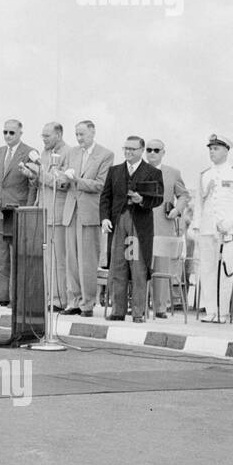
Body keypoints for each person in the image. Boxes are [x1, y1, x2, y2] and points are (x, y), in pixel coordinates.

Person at [100, 135, 164, 322]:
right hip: (118, 222)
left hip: (138, 225)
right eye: (126, 148)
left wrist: (142, 200)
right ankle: (118, 311)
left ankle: (138, 312)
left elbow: (158, 198)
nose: (128, 152)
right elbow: (106, 197)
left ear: (141, 150)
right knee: (117, 266)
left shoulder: (152, 172)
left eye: (132, 149)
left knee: (137, 268)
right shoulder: (115, 171)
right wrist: (104, 218)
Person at [192, 133, 233, 322]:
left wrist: (231, 222)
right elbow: (199, 204)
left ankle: (223, 311)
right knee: (207, 269)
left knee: (226, 269)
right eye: (210, 148)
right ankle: (211, 311)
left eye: (216, 148)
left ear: (226, 150)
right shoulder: (204, 175)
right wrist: (196, 226)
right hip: (208, 229)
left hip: (229, 231)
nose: (212, 152)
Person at [61, 119, 113, 316]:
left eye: (82, 134)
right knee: (71, 260)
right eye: (76, 134)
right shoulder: (72, 152)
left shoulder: (105, 155)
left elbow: (100, 184)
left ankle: (87, 303)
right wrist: (63, 177)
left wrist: (77, 180)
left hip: (89, 212)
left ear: (93, 133)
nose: (79, 138)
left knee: (87, 261)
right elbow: (64, 177)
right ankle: (72, 301)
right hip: (70, 210)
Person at [0, 119, 38, 305]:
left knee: (17, 256)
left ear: (20, 133)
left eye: (11, 133)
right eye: (5, 132)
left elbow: (33, 184)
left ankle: (16, 298)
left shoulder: (29, 153)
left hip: (17, 210)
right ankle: (0, 296)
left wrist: (28, 208)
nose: (7, 136)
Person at [24, 123, 71, 315]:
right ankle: (49, 296)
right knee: (47, 259)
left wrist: (39, 174)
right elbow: (42, 181)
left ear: (59, 134)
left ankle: (60, 299)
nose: (44, 139)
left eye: (48, 136)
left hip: (57, 213)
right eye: (42, 136)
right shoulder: (43, 153)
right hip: (43, 209)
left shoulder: (67, 153)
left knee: (59, 259)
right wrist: (31, 175)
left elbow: (61, 183)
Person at [146, 140, 189, 317]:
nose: (152, 153)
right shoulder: (136, 170)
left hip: (163, 225)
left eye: (156, 150)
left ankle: (160, 307)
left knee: (162, 267)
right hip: (140, 224)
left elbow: (184, 195)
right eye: (149, 150)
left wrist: (177, 210)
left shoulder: (172, 173)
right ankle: (139, 304)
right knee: (139, 266)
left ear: (164, 152)